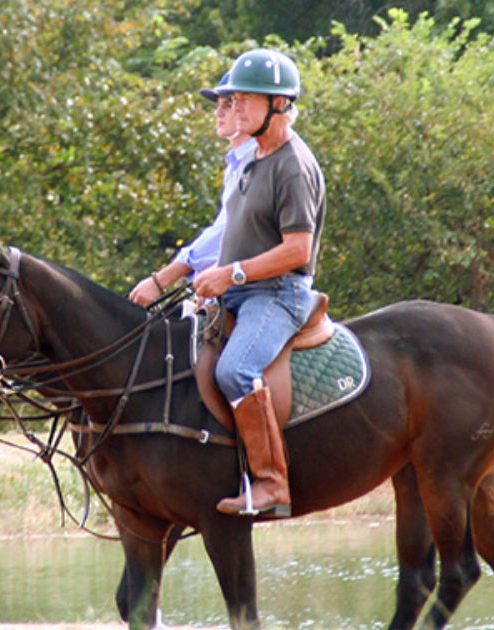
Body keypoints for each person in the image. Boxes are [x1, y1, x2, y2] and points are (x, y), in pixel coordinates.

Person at [192, 49, 325, 517]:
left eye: (249, 99)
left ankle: (272, 484)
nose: (238, 106)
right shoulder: (253, 158)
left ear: (280, 106)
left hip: (277, 294)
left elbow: (297, 250)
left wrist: (231, 273)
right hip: (239, 291)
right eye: (238, 98)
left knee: (234, 371)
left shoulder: (293, 165)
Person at [128, 72, 258, 306]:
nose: (217, 113)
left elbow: (226, 232)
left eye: (228, 105)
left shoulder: (256, 163)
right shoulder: (235, 164)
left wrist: (163, 279)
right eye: (218, 106)